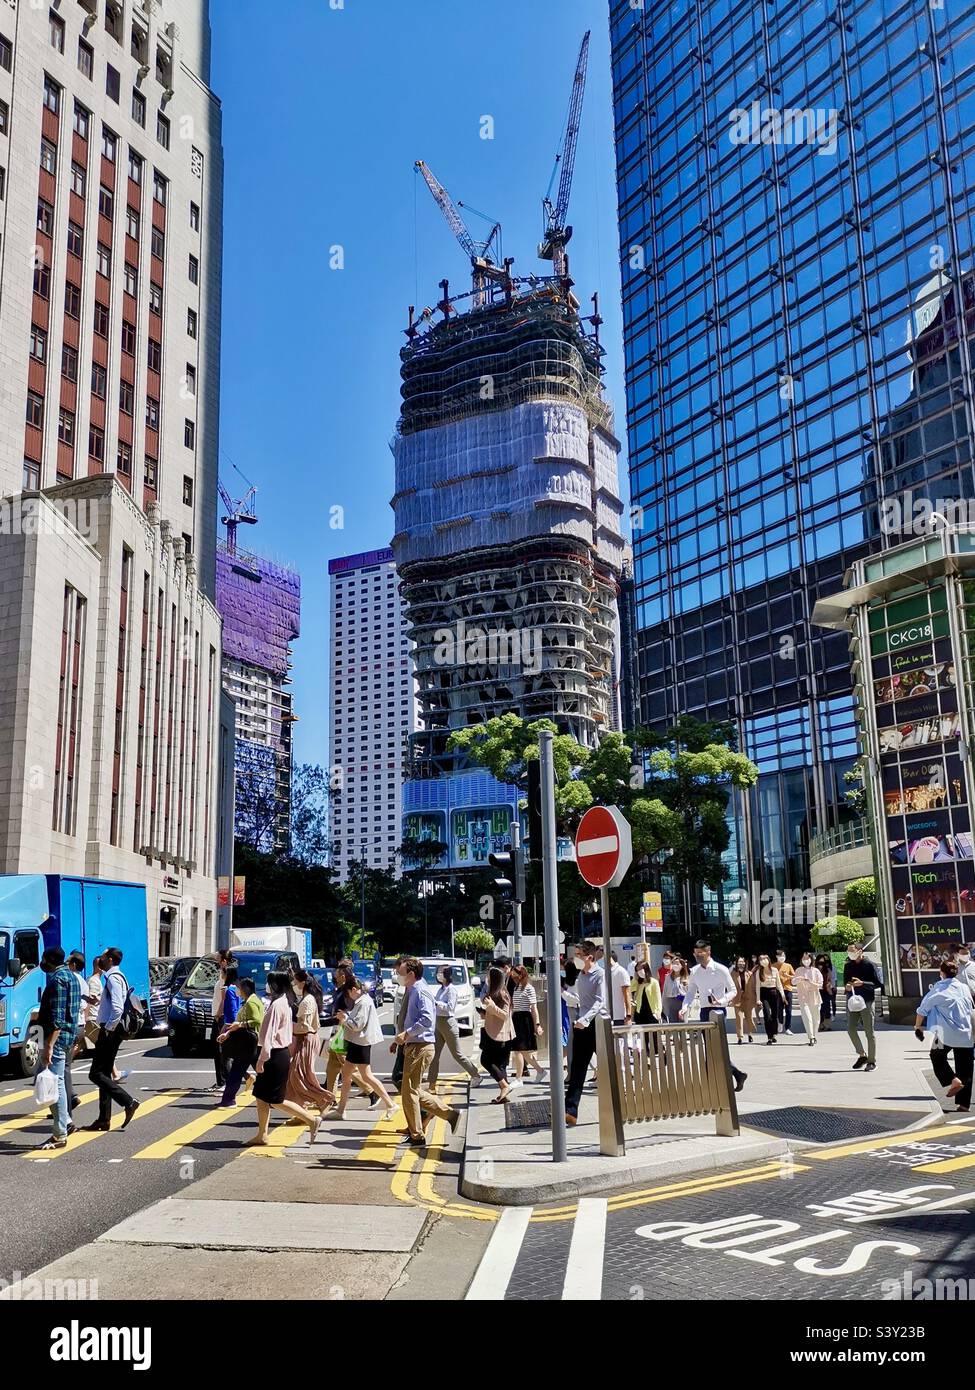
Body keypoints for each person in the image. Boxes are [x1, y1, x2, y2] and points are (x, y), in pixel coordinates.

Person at [249, 971, 322, 1146]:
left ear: (274, 985)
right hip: (278, 1054)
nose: (266, 986)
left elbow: (269, 1035)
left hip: (273, 1055)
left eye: (268, 983)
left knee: (276, 1100)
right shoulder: (285, 1003)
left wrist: (261, 1059)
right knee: (261, 1095)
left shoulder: (277, 1005)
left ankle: (311, 1120)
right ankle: (262, 1134)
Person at [395, 957, 461, 1147]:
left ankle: (418, 1136)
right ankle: (449, 1115)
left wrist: (406, 1034)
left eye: (401, 972)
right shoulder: (415, 989)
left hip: (420, 1047)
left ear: (411, 974)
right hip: (414, 1045)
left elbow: (426, 1020)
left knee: (410, 1092)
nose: (398, 975)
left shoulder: (420, 990)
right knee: (411, 1091)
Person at [679, 941, 747, 1093]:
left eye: (700, 953)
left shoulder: (721, 969)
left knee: (717, 1046)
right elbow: (690, 992)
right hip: (704, 1011)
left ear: (708, 952)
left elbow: (733, 990)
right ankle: (735, 1074)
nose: (697, 956)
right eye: (695, 953)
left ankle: (713, 1079)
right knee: (710, 1047)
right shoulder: (695, 971)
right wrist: (685, 1006)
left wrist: (721, 1001)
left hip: (719, 1010)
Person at [85, 946, 139, 1132]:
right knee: (105, 1073)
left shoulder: (114, 978)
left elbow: (117, 1008)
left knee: (96, 1074)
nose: (99, 959)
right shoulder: (115, 976)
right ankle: (103, 1119)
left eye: (103, 956)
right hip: (110, 1030)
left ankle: (128, 1101)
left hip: (110, 1031)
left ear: (109, 960)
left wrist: (107, 1029)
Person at [36, 947, 82, 1150]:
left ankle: (59, 1134)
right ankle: (66, 1124)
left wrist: (49, 1046)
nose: (42, 962)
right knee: (58, 1083)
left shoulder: (57, 980)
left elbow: (57, 1018)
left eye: (44, 958)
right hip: (69, 1036)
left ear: (50, 960)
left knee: (54, 1085)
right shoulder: (72, 977)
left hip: (58, 1038)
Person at [333, 976, 397, 1119]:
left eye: (349, 992)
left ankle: (391, 1104)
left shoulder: (363, 1003)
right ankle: (341, 1109)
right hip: (359, 1042)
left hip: (360, 1042)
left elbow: (357, 1026)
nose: (349, 996)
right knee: (347, 1073)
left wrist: (344, 1019)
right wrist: (347, 1017)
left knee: (365, 1075)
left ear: (354, 989)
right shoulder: (364, 1000)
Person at [916, 960, 975, 1111]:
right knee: (966, 1068)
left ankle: (952, 1079)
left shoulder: (938, 990)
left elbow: (922, 1010)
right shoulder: (964, 988)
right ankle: (963, 1105)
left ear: (941, 973)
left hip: (944, 1034)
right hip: (966, 1033)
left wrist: (917, 1026)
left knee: (936, 1055)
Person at [565, 941, 607, 1125]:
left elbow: (600, 1001)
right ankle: (570, 1111)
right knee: (577, 1069)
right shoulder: (580, 975)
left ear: (589, 957)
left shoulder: (600, 974)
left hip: (597, 1025)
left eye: (579, 954)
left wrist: (586, 1019)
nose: (576, 958)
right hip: (581, 1026)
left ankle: (621, 1102)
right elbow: (581, 1000)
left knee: (607, 1067)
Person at [285, 969, 335, 1114]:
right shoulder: (308, 999)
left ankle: (322, 1099)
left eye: (295, 980)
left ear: (302, 983)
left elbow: (304, 1026)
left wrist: (288, 1026)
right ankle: (301, 1109)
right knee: (298, 1075)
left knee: (298, 1075)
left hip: (306, 1039)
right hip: (307, 1038)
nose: (294, 984)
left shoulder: (307, 1001)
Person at [428, 963, 481, 1091]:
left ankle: (475, 1075)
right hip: (438, 1023)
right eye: (438, 972)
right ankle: (432, 1084)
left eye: (441, 972)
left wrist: (436, 1003)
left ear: (447, 974)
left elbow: (450, 1008)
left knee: (457, 1054)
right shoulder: (441, 989)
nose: (439, 974)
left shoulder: (451, 990)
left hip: (448, 1023)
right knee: (434, 1055)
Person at [326, 961, 372, 1101]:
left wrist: (341, 1024)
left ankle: (370, 1091)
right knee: (332, 1068)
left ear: (343, 976)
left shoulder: (347, 992)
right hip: (338, 1030)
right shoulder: (339, 990)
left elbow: (349, 1012)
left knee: (349, 1068)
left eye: (338, 974)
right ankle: (330, 1098)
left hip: (343, 1031)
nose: (335, 976)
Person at [217, 978, 264, 1107]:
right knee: (262, 1072)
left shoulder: (251, 1002)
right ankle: (270, 1097)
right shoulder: (249, 1001)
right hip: (250, 1042)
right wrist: (228, 1032)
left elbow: (257, 1021)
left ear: (245, 989)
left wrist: (240, 1024)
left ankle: (228, 1099)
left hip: (248, 1043)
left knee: (236, 1071)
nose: (237, 989)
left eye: (239, 987)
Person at [479, 965, 516, 1102]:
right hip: (495, 1032)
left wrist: (491, 1007)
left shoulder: (502, 993)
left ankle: (504, 1086)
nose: (486, 978)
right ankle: (504, 1093)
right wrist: (485, 1013)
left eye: (489, 976)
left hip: (500, 1035)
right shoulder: (494, 992)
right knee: (500, 1065)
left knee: (486, 1060)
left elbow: (505, 1015)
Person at [844, 941, 881, 1072]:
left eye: (852, 951)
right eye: (848, 951)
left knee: (869, 1033)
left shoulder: (869, 965)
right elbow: (846, 981)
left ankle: (871, 1061)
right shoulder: (848, 965)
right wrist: (848, 986)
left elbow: (877, 983)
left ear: (860, 951)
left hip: (867, 1001)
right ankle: (862, 1054)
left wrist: (862, 983)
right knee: (850, 1029)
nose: (850, 953)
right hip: (853, 1001)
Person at [509, 964, 546, 1085]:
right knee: (522, 1051)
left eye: (515, 974)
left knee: (519, 1050)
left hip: (524, 1020)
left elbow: (534, 1008)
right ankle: (540, 1071)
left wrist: (537, 1024)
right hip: (516, 1019)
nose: (513, 976)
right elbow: (514, 1006)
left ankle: (519, 1079)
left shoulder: (529, 988)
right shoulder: (516, 987)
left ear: (521, 974)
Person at [207, 952, 232, 1094]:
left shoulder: (226, 974)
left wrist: (219, 1014)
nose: (215, 958)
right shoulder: (221, 973)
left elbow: (224, 998)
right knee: (217, 1050)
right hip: (218, 1016)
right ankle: (220, 1081)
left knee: (222, 1051)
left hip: (221, 1016)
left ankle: (225, 1081)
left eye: (218, 957)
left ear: (223, 960)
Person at [793, 952, 824, 1045]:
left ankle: (814, 1035)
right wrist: (798, 979)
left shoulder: (816, 971)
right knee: (807, 1017)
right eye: (804, 958)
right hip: (803, 997)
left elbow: (820, 985)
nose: (806, 960)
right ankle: (811, 1036)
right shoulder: (798, 970)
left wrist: (811, 982)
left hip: (815, 997)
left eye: (807, 958)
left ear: (811, 959)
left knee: (816, 1018)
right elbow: (793, 981)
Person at [755, 952, 785, 1044]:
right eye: (761, 959)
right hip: (764, 994)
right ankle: (769, 1036)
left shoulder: (774, 970)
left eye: (765, 959)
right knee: (767, 1015)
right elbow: (757, 986)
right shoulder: (758, 972)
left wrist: (783, 995)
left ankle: (774, 1033)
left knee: (774, 1015)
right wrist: (758, 999)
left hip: (774, 993)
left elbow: (779, 984)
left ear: (768, 960)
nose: (763, 961)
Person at [730, 955, 755, 1043]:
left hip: (748, 998)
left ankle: (750, 1034)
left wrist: (755, 999)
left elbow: (753, 987)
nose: (741, 964)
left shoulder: (749, 973)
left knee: (749, 1018)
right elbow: (730, 986)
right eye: (739, 962)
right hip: (737, 998)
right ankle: (740, 1037)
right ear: (736, 963)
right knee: (739, 1018)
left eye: (743, 962)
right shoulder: (733, 974)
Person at [631, 959, 662, 1024]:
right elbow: (631, 989)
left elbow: (658, 998)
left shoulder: (654, 982)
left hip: (652, 1013)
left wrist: (658, 1011)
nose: (640, 971)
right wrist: (635, 979)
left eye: (641, 969)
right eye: (638, 970)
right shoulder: (638, 983)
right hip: (640, 1013)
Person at [609, 951, 633, 1028]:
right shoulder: (605, 972)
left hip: (619, 1016)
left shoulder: (621, 972)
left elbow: (627, 994)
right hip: (607, 1015)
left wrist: (628, 1014)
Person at [662, 955, 688, 1023]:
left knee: (683, 1023)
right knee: (673, 1024)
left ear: (681, 965)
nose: (675, 965)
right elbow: (665, 992)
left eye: (677, 963)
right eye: (673, 963)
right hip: (671, 1003)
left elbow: (689, 993)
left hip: (682, 1002)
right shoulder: (668, 977)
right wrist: (663, 1006)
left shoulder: (686, 977)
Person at [775, 949, 795, 1034]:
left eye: (783, 956)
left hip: (788, 989)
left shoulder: (788, 966)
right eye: (780, 956)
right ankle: (780, 1022)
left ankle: (787, 1027)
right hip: (778, 990)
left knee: (788, 1010)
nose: (782, 957)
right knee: (779, 1008)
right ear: (777, 957)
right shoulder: (773, 966)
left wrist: (788, 976)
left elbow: (794, 977)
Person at [815, 954, 835, 1030]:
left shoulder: (828, 970)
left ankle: (827, 1024)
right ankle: (820, 1024)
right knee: (819, 1009)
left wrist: (829, 986)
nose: (821, 965)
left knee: (826, 1008)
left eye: (823, 963)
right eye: (820, 963)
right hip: (817, 991)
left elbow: (830, 980)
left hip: (825, 991)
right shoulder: (814, 970)